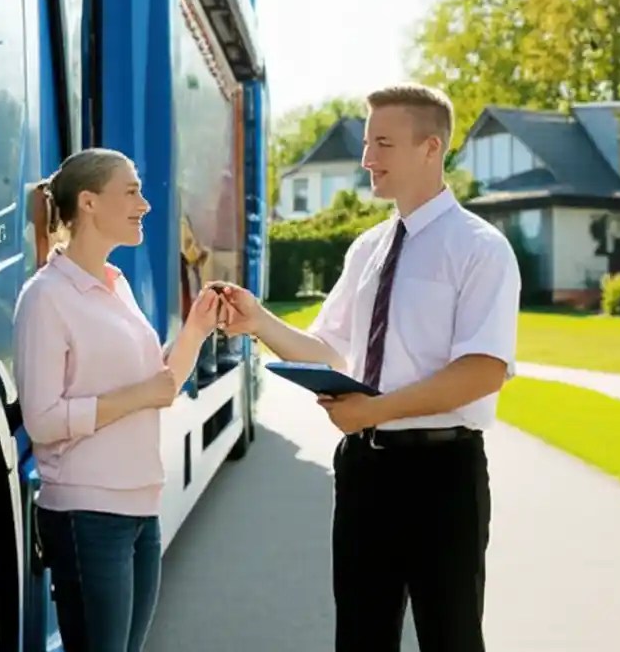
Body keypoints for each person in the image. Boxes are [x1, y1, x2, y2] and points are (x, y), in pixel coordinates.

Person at [213, 83, 521, 652]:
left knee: (450, 638)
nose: (366, 159)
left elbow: (482, 370)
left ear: (431, 149)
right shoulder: (367, 249)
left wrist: (375, 410)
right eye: (366, 143)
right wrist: (257, 322)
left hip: (443, 477)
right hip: (364, 475)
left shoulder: (481, 249)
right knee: (360, 637)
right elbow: (330, 350)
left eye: (382, 143)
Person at [13, 147, 223, 652]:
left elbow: (162, 385)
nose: (145, 205)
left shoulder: (116, 284)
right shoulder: (45, 297)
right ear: (88, 202)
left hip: (139, 505)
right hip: (87, 512)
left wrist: (197, 327)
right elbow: (41, 422)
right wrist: (137, 396)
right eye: (131, 191)